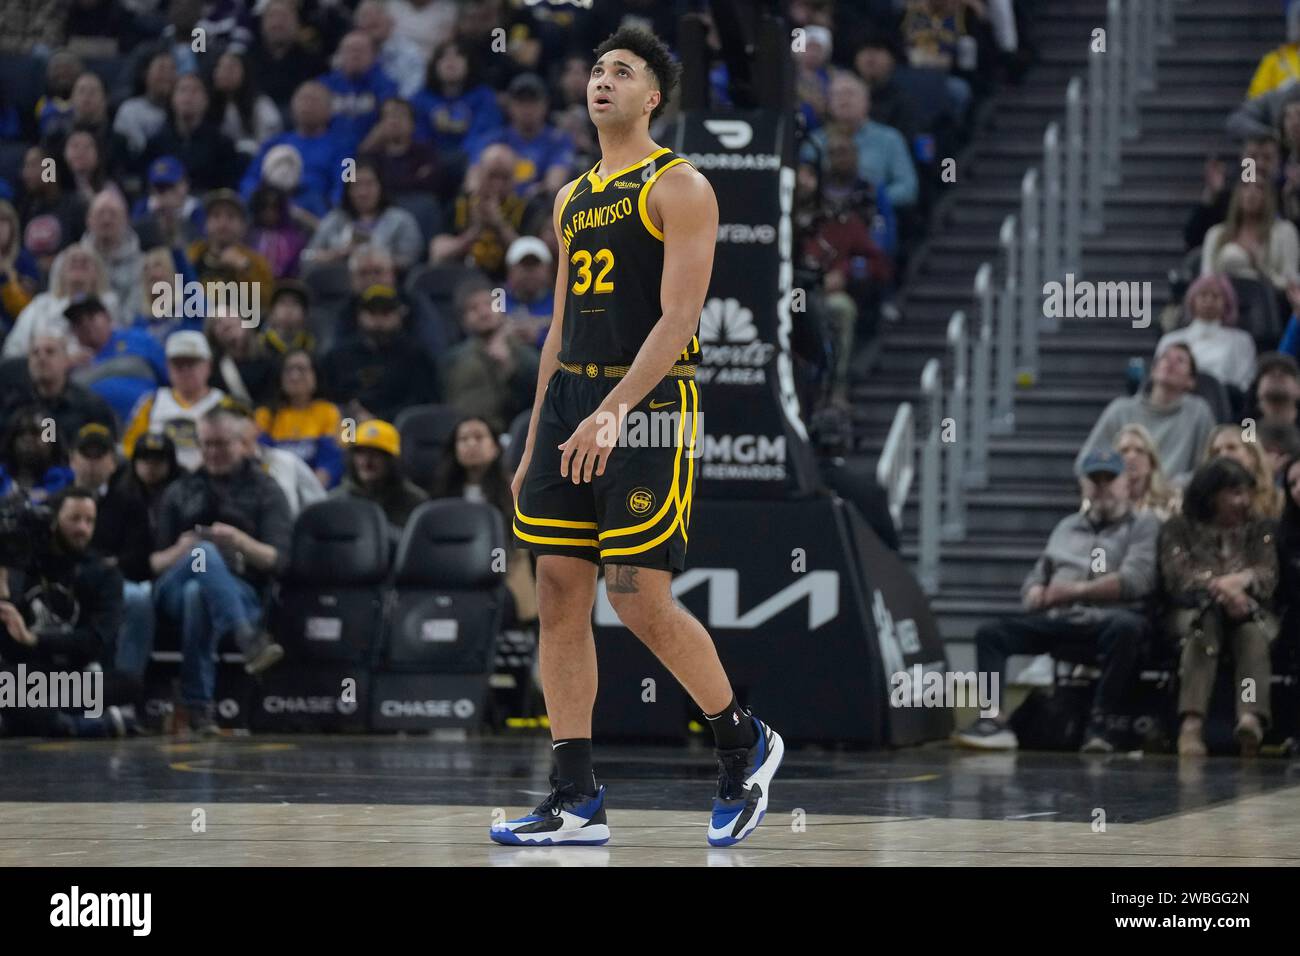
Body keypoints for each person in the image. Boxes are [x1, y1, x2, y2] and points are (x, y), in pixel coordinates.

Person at [502, 27, 782, 849]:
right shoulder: (570, 197)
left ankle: (744, 742)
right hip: (570, 404)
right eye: (595, 69)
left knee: (634, 595)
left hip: (650, 402)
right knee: (558, 592)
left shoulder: (681, 184)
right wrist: (531, 440)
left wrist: (617, 408)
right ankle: (576, 796)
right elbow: (557, 329)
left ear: (652, 97)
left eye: (621, 72)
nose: (602, 80)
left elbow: (681, 318)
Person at [953, 451, 1160, 754]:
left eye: (1109, 479)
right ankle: (992, 719)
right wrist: (1036, 591)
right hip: (1061, 619)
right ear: (1084, 486)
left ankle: (1099, 722)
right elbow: (1036, 578)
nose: (1102, 486)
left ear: (1126, 483)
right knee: (991, 634)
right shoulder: (1066, 527)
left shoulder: (1142, 525)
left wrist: (1072, 591)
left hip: (1109, 620)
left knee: (1127, 627)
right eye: (1094, 480)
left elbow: (1135, 581)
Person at [150, 404, 289, 736]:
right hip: (173, 585)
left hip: (241, 589)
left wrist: (240, 541)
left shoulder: (266, 490)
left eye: (222, 444)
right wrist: (183, 549)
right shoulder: (179, 489)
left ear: (243, 443)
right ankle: (248, 640)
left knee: (199, 593)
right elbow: (154, 563)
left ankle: (199, 708)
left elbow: (279, 560)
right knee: (202, 551)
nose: (213, 452)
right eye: (206, 444)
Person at [1160, 458, 1279, 757]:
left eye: (1247, 493)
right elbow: (1178, 576)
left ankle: (1250, 718)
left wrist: (1242, 580)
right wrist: (1223, 589)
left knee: (1252, 635)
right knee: (1204, 628)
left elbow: (1268, 573)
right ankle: (1191, 724)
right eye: (1235, 493)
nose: (1244, 501)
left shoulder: (1260, 529)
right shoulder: (1179, 528)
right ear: (1211, 495)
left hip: (1249, 610)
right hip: (1192, 611)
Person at [0, 487, 133, 738]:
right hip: (24, 673)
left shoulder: (103, 573)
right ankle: (78, 723)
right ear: (54, 519)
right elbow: (8, 647)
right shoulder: (21, 565)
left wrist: (35, 639)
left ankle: (23, 717)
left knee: (128, 684)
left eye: (89, 521)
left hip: (74, 676)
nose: (82, 528)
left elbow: (96, 641)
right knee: (10, 680)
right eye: (74, 519)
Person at [429, 415, 537, 624]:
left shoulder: (516, 489)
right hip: (453, 574)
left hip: (507, 573)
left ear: (496, 447)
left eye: (478, 437)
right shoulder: (441, 493)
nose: (470, 444)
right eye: (463, 439)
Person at [1077, 344, 1216, 484]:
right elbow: (1084, 462)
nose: (1170, 362)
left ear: (1191, 381)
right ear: (1153, 370)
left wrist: (1174, 487)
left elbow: (1208, 467)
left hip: (1176, 498)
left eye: (1180, 360)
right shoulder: (1120, 410)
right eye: (1165, 357)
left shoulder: (1199, 412)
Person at [319, 284, 440, 422]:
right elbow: (327, 397)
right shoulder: (337, 357)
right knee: (346, 436)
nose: (379, 320)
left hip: (396, 430)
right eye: (372, 312)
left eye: (386, 312)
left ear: (399, 315)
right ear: (359, 316)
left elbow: (423, 403)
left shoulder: (417, 356)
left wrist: (377, 419)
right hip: (349, 425)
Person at [441, 276, 540, 433]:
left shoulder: (523, 353)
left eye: (490, 304)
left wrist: (509, 367)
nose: (484, 312)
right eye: (473, 308)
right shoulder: (454, 360)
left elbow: (537, 398)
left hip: (514, 435)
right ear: (463, 320)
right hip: (467, 434)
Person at [122, 330, 227, 471]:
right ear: (168, 368)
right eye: (178, 365)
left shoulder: (224, 405)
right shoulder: (151, 403)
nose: (185, 371)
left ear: (208, 365)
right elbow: (131, 449)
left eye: (191, 364)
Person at [0, 327, 117, 448]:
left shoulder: (91, 407)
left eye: (50, 352)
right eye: (35, 353)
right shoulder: (13, 405)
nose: (41, 358)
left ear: (66, 360)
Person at [302, 158, 422, 271]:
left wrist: (374, 258)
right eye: (356, 185)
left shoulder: (400, 220)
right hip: (340, 286)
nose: (363, 192)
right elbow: (306, 258)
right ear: (348, 190)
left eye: (369, 184)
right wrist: (337, 254)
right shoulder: (334, 219)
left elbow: (411, 259)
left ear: (381, 186)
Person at [64, 294, 167, 423]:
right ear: (73, 331)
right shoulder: (71, 365)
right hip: (96, 433)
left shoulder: (138, 339)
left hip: (148, 423)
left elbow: (169, 377)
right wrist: (66, 366)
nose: (85, 323)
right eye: (78, 322)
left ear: (107, 317)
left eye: (91, 316)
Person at [254, 349, 343, 489]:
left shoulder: (329, 412)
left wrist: (312, 491)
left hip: (318, 490)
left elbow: (331, 460)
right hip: (276, 488)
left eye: (302, 369)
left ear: (315, 375)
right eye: (288, 370)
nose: (294, 376)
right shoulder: (265, 415)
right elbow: (260, 459)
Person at [328, 418, 427, 542]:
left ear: (392, 461)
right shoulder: (336, 501)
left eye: (376, 454)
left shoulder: (415, 502)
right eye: (361, 453)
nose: (367, 461)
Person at [1156, 274, 1257, 395]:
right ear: (1192, 301)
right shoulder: (1170, 340)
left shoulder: (1241, 340)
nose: (1209, 301)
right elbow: (1158, 377)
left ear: (1227, 303)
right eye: (1203, 295)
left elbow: (1244, 382)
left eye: (1215, 296)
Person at [1200, 181, 1299, 291]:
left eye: (1259, 187)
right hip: (1223, 302)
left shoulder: (1284, 232)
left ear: (1268, 196)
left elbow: (1291, 283)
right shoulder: (1216, 234)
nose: (1252, 193)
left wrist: (1259, 267)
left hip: (1271, 302)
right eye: (1246, 186)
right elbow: (1205, 280)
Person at [1201, 423, 1286, 519]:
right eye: (1216, 452)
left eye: (1231, 448)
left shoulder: (1278, 500)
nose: (1223, 455)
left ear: (1253, 455)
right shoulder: (1202, 503)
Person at [0, 405, 76, 503]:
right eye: (21, 433)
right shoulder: (1, 478)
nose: (27, 439)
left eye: (35, 433)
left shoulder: (68, 482)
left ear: (52, 441)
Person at [1114, 423, 1180, 520]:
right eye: (1124, 451)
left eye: (1139, 451)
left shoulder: (1169, 502)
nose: (1131, 456)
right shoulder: (1108, 502)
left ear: (1152, 462)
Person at [1245, 350, 1300, 428]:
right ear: (1257, 388)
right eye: (1267, 371)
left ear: (1298, 388)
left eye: (1286, 371)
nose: (1277, 374)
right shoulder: (1240, 430)